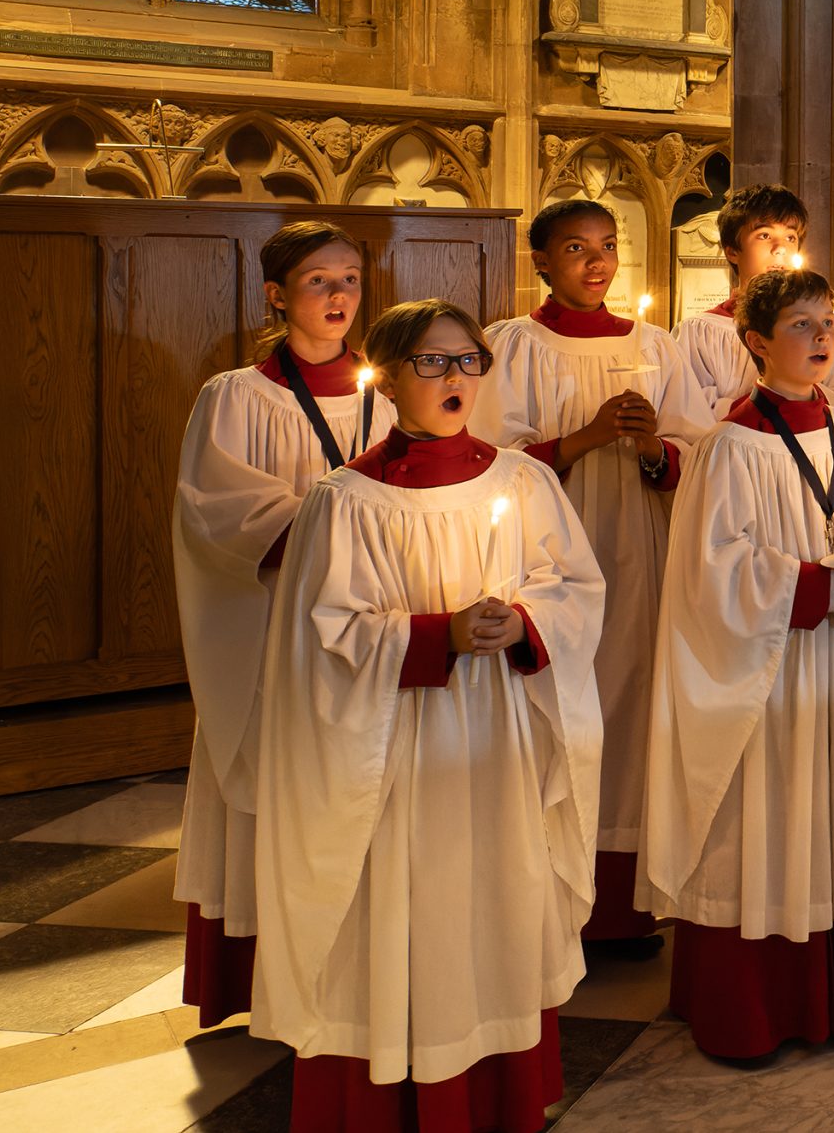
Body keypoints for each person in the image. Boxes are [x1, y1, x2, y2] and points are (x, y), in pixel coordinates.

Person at [251, 299, 604, 1133]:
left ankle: (495, 1091)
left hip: (500, 740)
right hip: (394, 750)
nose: (456, 379)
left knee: (495, 892)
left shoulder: (524, 479)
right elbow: (323, 636)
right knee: (404, 904)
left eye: (469, 361)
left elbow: (576, 588)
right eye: (435, 363)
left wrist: (524, 623)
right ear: (390, 375)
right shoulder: (345, 500)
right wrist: (434, 636)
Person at [639, 268, 834, 1063]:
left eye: (827, 322)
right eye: (800, 325)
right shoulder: (729, 445)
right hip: (761, 675)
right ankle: (749, 1008)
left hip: (833, 669)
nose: (823, 337)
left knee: (831, 816)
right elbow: (711, 571)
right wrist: (822, 587)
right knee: (758, 818)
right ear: (755, 343)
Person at [472, 197, 705, 952]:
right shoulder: (511, 346)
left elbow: (700, 454)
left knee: (633, 707)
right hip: (547, 556)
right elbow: (486, 464)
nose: (597, 262)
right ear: (540, 261)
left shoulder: (657, 345)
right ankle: (546, 899)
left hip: (637, 550)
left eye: (608, 246)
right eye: (576, 249)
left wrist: (649, 450)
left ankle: (623, 909)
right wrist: (586, 438)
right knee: (555, 710)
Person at [171, 221, 378, 1029]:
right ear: (276, 295)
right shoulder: (236, 397)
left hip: (362, 633)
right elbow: (216, 513)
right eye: (320, 281)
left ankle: (347, 957)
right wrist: (335, 524)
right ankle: (265, 974)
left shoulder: (386, 396)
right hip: (271, 635)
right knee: (270, 779)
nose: (338, 297)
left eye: (352, 280)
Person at [675, 183, 834, 426]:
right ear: (732, 251)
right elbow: (687, 414)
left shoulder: (825, 326)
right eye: (764, 235)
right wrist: (766, 402)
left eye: (790, 237)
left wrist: (801, 399)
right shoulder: (699, 332)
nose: (780, 249)